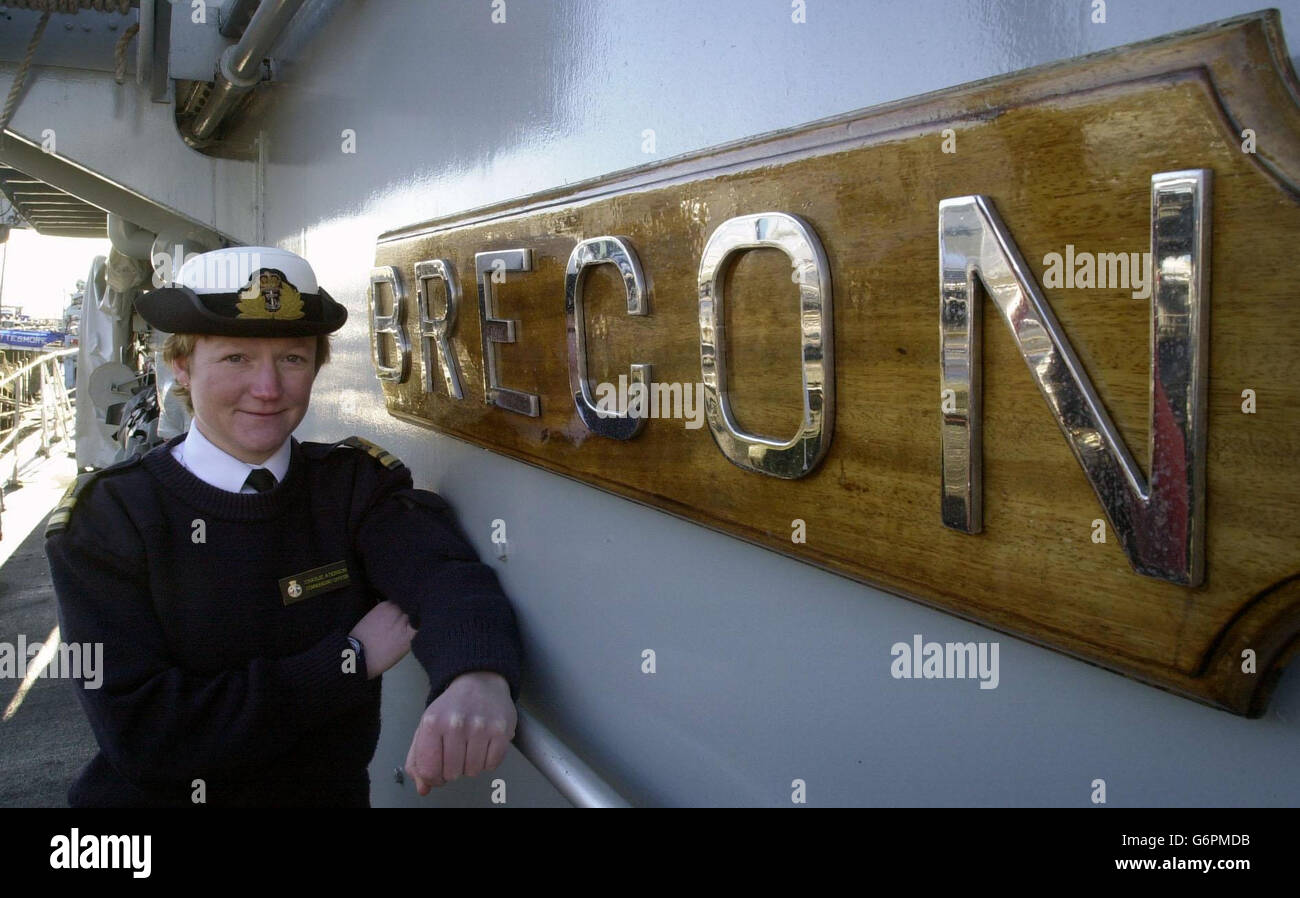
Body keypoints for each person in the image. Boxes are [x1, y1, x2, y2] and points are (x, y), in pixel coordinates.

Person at [44, 246, 522, 807]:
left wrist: (478, 674)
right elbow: (149, 734)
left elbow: (445, 577)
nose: (268, 389)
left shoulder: (352, 488)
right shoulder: (109, 517)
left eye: (292, 358)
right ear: (181, 365)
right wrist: (346, 661)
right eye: (236, 359)